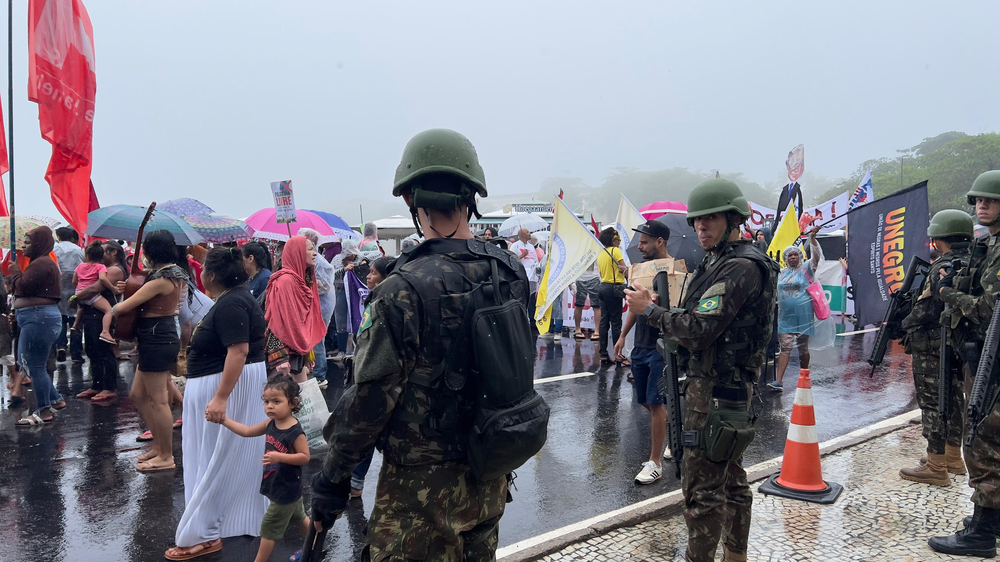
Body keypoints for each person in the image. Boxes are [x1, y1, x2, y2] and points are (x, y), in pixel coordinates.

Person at [311, 128, 530, 559]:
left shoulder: (402, 289)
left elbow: (370, 398)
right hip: (490, 470)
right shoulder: (509, 271)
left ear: (411, 197)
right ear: (472, 195)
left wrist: (332, 478)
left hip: (422, 494)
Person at [625, 178, 777, 562]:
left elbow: (699, 330)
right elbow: (700, 316)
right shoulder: (720, 261)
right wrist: (665, 307)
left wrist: (651, 311)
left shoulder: (740, 266)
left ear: (734, 219)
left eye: (710, 218)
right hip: (722, 391)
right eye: (696, 220)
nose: (701, 227)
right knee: (732, 482)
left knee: (703, 493)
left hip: (715, 396)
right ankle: (735, 556)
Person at [166, 246, 270, 561]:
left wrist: (221, 397)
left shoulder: (232, 303)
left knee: (214, 458)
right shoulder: (235, 299)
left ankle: (203, 533)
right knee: (217, 456)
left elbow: (238, 351)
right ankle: (218, 523)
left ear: (209, 275)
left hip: (225, 386)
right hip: (227, 383)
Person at [930, 170, 1000, 557]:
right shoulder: (988, 245)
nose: (982, 205)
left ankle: (982, 535)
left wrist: (947, 294)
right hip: (985, 354)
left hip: (993, 361)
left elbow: (988, 309)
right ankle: (991, 521)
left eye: (991, 200)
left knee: (982, 444)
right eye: (979, 200)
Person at [896, 210, 971, 487]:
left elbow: (927, 309)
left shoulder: (943, 265)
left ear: (939, 237)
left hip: (932, 345)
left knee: (933, 402)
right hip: (959, 343)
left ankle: (936, 465)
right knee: (955, 398)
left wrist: (902, 323)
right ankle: (953, 457)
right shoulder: (972, 262)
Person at [111, 230, 187, 472]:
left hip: (157, 338)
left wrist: (119, 295)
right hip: (157, 337)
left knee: (159, 400)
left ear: (151, 251)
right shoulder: (172, 275)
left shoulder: (161, 281)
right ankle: (158, 446)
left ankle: (166, 455)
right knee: (138, 394)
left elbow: (122, 308)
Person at [216, 375, 310, 562]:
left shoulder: (294, 431)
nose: (270, 406)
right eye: (266, 402)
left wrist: (279, 457)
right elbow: (247, 431)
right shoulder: (271, 424)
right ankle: (313, 546)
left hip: (286, 488)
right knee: (299, 515)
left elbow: (305, 457)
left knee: (269, 527)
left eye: (276, 401)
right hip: (280, 483)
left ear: (293, 403)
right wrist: (223, 420)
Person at [614, 220, 673, 484]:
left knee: (656, 402)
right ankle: (674, 436)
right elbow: (635, 309)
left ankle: (655, 462)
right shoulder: (640, 270)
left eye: (645, 242)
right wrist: (622, 335)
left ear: (660, 241)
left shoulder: (675, 271)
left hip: (661, 346)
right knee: (645, 401)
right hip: (640, 345)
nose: (640, 246)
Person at [11, 226, 66, 426]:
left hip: (38, 318)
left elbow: (23, 288)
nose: (23, 246)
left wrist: (15, 273)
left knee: (35, 366)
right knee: (29, 362)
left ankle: (43, 411)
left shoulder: (41, 263)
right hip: (36, 317)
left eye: (28, 242)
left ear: (39, 244)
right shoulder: (41, 262)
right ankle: (55, 399)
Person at [348, 255, 393, 499]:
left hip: (378, 381)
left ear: (386, 277)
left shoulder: (386, 304)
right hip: (369, 376)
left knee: (369, 433)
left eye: (373, 272)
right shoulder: (374, 299)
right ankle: (356, 482)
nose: (367, 276)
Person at [263, 236, 327, 384]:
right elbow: (276, 323)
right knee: (279, 394)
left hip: (295, 349)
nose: (315, 253)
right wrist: (281, 358)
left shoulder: (302, 280)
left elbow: (300, 323)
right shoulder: (285, 282)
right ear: (298, 253)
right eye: (310, 249)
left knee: (300, 393)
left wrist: (307, 353)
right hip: (283, 354)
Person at [767, 227, 822, 391]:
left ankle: (804, 375)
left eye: (795, 254)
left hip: (803, 315)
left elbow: (816, 257)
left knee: (803, 347)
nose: (792, 257)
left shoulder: (807, 269)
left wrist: (813, 239)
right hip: (786, 317)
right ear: (785, 258)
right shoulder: (781, 273)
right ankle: (778, 381)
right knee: (785, 347)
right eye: (789, 255)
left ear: (800, 256)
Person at [75, 240, 129, 401]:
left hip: (100, 313)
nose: (100, 254)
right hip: (91, 310)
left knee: (103, 350)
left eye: (103, 251)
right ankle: (97, 384)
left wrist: (74, 298)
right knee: (92, 350)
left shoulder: (113, 270)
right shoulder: (101, 268)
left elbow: (94, 288)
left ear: (114, 252)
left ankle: (109, 387)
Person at [298, 228, 335, 388]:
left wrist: (306, 284)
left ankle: (320, 375)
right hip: (316, 305)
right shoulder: (312, 259)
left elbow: (325, 285)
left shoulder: (318, 261)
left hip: (321, 306)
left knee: (317, 339)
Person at [70, 242, 119, 344]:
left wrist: (79, 289)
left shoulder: (80, 266)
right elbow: (102, 279)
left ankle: (75, 324)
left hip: (79, 292)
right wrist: (112, 287)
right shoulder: (100, 267)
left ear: (87, 255)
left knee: (81, 307)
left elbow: (74, 281)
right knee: (109, 310)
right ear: (101, 256)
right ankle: (105, 332)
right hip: (91, 296)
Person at [596, 226, 627, 364]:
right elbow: (624, 268)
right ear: (612, 240)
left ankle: (603, 353)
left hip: (603, 286)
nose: (619, 242)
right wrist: (626, 270)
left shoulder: (602, 253)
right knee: (616, 322)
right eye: (617, 239)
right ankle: (618, 354)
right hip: (614, 287)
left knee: (604, 321)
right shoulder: (615, 251)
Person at [53, 226, 84, 363]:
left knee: (60, 319)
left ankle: (61, 346)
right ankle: (76, 353)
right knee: (76, 319)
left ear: (59, 237)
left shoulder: (54, 249)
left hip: (58, 286)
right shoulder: (78, 250)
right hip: (75, 286)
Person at [573, 263, 602, 341]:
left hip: (594, 278)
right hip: (580, 279)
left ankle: (597, 330)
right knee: (579, 305)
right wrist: (571, 282)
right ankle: (577, 329)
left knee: (596, 306)